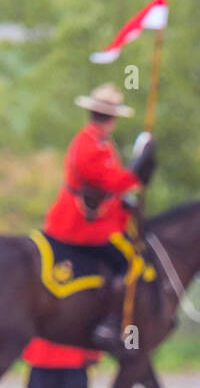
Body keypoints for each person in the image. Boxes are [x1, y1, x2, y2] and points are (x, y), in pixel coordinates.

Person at [42, 83, 157, 353]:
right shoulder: (88, 144)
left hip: (100, 215)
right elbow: (106, 181)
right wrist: (137, 173)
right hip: (80, 222)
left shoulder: (98, 141)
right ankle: (109, 322)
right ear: (113, 118)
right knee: (127, 263)